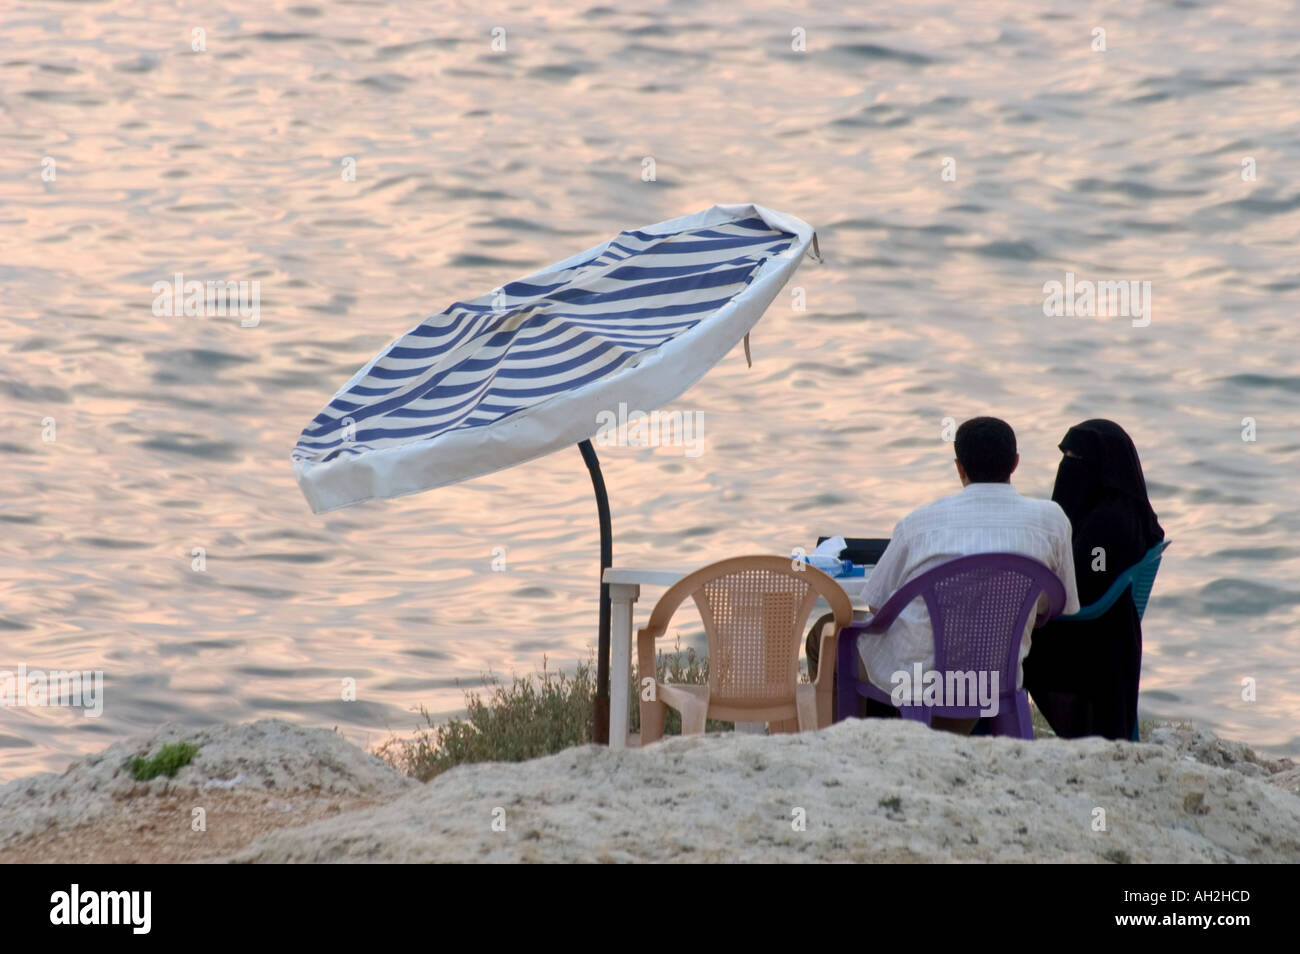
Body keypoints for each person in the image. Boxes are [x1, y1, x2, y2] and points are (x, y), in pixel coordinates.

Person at [806, 417, 1080, 732]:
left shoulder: (919, 524)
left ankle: (849, 740)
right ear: (1015, 463)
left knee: (826, 631)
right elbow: (1061, 605)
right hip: (995, 676)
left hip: (919, 682)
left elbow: (877, 609)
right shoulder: (1053, 521)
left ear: (959, 467)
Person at [1024, 420, 1164, 741]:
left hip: (1086, 640)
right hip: (1113, 634)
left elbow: (1085, 582)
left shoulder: (1107, 525)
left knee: (1002, 640)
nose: (1067, 468)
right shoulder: (1128, 510)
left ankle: (978, 727)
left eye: (1075, 459)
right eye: (1065, 457)